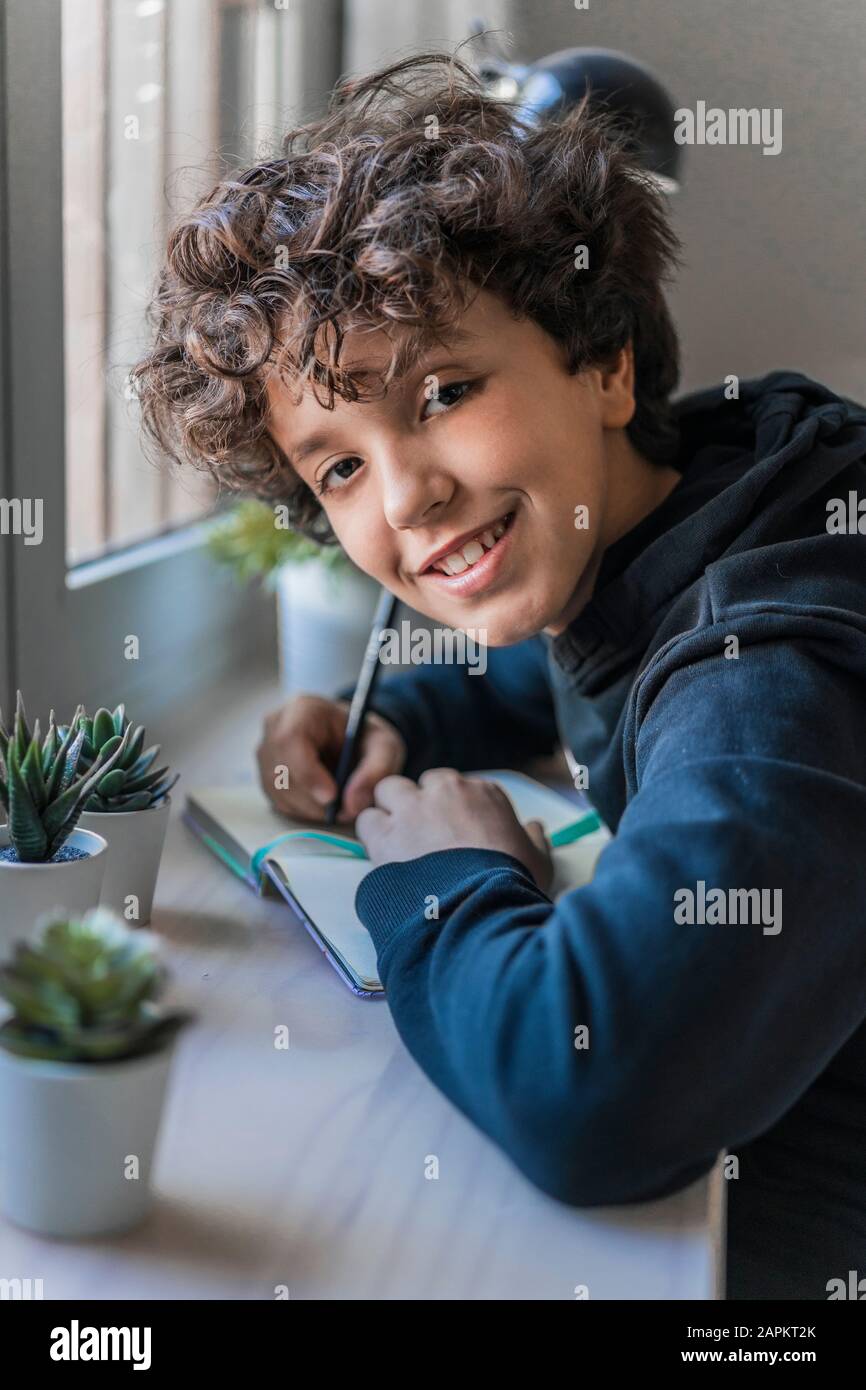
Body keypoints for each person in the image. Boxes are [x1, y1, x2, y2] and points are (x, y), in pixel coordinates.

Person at [132, 52, 866, 1300]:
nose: (407, 493)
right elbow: (582, 661)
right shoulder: (697, 508)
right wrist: (405, 717)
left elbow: (599, 1091)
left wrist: (447, 882)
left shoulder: (774, 664)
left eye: (444, 392)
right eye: (339, 467)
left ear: (606, 364)